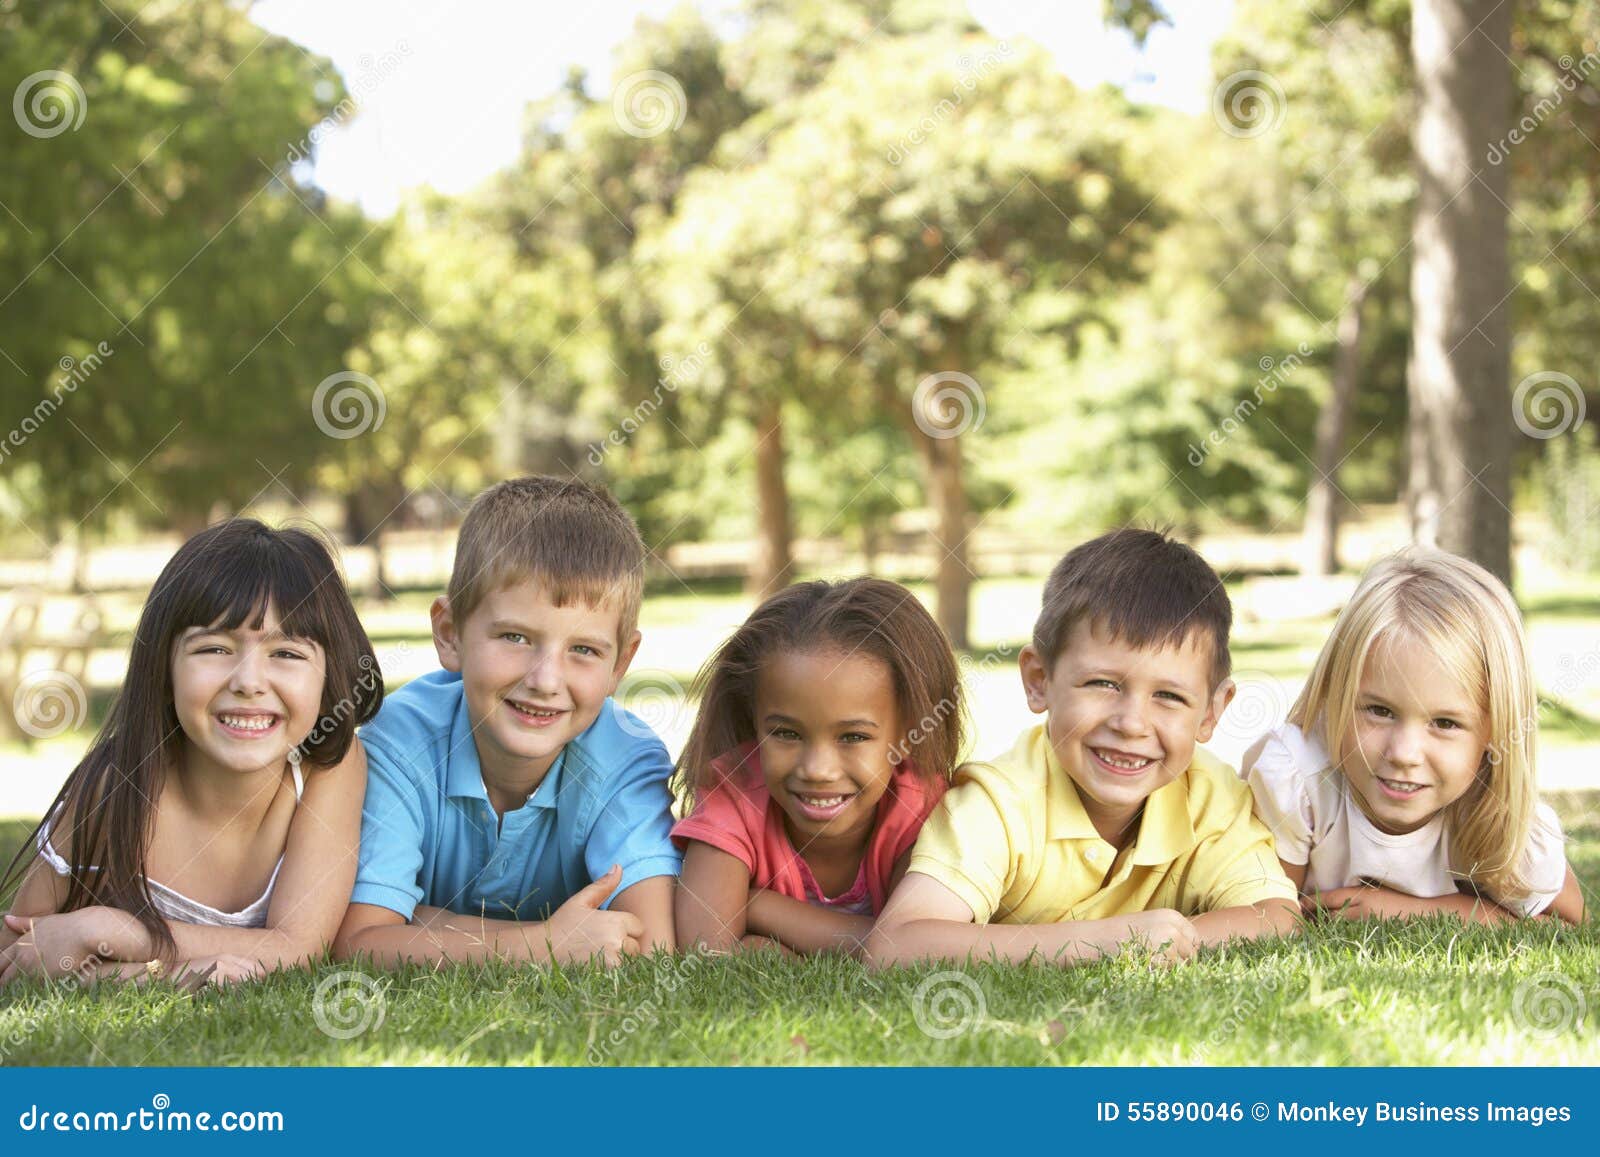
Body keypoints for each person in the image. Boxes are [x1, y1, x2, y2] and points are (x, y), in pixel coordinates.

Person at [866, 528, 1299, 967]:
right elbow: (896, 944)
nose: (1131, 723)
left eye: (1169, 696)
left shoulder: (1210, 795)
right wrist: (1106, 941)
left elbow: (1277, 916)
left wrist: (1170, 937)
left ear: (1210, 712)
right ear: (1039, 682)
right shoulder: (999, 804)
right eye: (1102, 684)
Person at [0, 519, 379, 986]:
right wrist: (172, 973)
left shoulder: (328, 769)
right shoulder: (113, 788)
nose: (248, 681)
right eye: (215, 648)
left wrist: (117, 932)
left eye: (287, 654)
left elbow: (296, 946)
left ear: (329, 674)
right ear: (165, 667)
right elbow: (22, 953)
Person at [333, 476, 679, 967]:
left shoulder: (627, 757)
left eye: (583, 650)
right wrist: (542, 944)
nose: (545, 679)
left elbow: (651, 944)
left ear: (620, 664)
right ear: (450, 634)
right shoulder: (399, 743)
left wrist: (424, 920)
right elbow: (360, 941)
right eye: (515, 637)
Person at [1243, 546, 1584, 924]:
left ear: (1495, 729)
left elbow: (1568, 923)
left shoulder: (1502, 815)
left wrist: (1409, 911)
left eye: (1445, 723)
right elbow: (1271, 916)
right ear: (1335, 693)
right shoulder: (1297, 776)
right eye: (1379, 711)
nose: (1404, 753)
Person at [672, 578, 963, 956]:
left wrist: (759, 906)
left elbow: (910, 947)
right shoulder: (736, 792)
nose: (817, 770)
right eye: (786, 733)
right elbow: (706, 949)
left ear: (908, 730)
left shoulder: (918, 807)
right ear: (752, 718)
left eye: (853, 737)